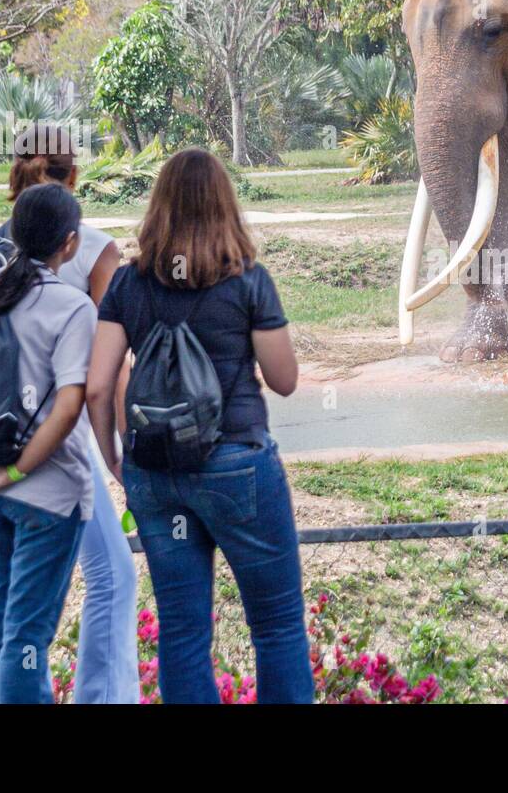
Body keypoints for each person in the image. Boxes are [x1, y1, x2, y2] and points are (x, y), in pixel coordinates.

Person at [0, 124, 139, 704]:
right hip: (56, 457)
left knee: (7, 620)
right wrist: (123, 462)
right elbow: (103, 379)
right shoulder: (88, 244)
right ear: (76, 177)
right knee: (106, 582)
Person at [85, 148, 313, 704]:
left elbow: (96, 384)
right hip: (237, 464)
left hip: (155, 473)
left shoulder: (127, 284)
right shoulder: (247, 281)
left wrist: (115, 455)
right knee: (277, 625)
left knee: (183, 631)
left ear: (158, 206)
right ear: (225, 205)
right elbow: (284, 380)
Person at [0, 183, 95, 703]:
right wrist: (15, 471)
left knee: (4, 625)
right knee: (26, 637)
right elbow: (69, 407)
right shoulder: (72, 307)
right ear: (70, 244)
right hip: (46, 495)